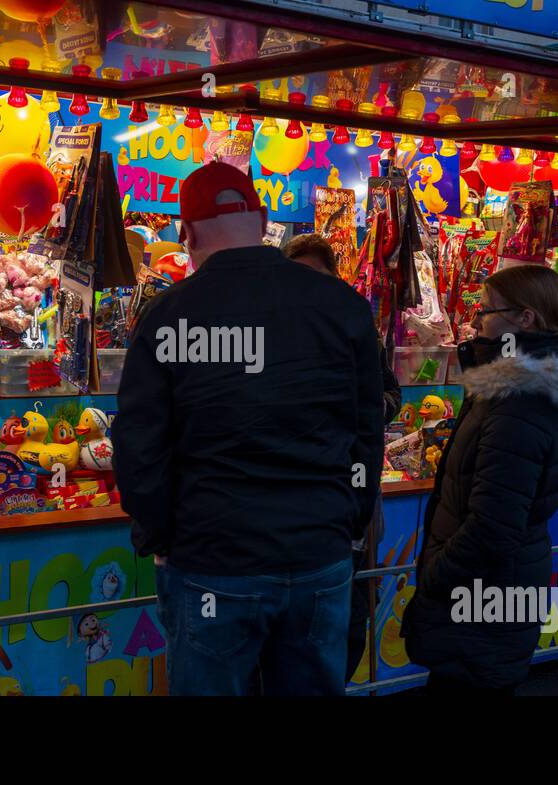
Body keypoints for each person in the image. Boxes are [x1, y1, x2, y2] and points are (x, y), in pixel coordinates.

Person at [113, 163, 384, 696]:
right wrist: (348, 522)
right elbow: (366, 430)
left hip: (213, 563)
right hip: (318, 555)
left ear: (186, 233)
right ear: (261, 221)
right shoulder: (344, 306)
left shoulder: (169, 315)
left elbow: (139, 446)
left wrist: (159, 537)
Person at [401, 264, 558, 695]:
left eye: (485, 311)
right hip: (488, 594)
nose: (477, 319)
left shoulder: (521, 397)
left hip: (482, 599)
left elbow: (493, 526)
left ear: (525, 318)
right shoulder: (512, 384)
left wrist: (436, 574)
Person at [282, 233, 401, 682]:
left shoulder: (354, 328)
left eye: (318, 277)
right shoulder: (271, 335)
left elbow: (390, 393)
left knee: (348, 622)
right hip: (290, 516)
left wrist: (361, 409)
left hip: (350, 509)